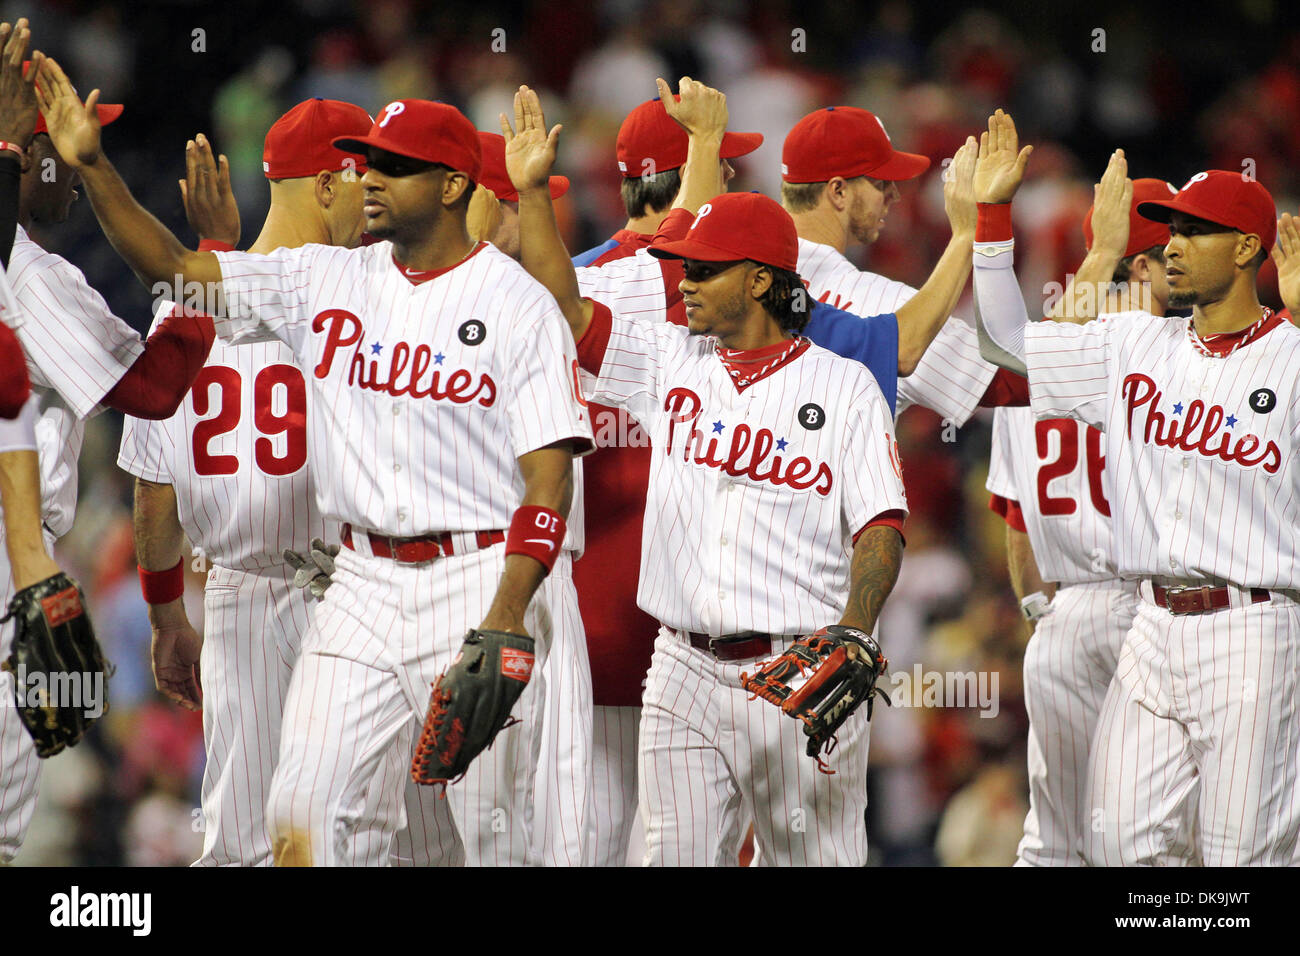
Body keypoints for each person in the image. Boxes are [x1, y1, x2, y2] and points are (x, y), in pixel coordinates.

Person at [37, 63, 594, 866]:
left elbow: (551, 481)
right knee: (303, 817)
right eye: (368, 161)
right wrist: (93, 167)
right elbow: (175, 273)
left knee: (493, 839)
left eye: (394, 166)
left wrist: (507, 616)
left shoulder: (516, 305)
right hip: (359, 583)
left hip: (477, 578)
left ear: (449, 185)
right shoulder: (326, 278)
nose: (371, 177)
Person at [505, 86, 907, 865]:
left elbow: (881, 525)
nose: (681, 283)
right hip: (680, 667)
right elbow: (566, 306)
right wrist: (530, 197)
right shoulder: (672, 364)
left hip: (798, 669)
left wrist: (855, 627)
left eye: (702, 270)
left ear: (759, 280)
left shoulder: (843, 385)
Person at [972, 107, 1300, 865]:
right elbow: (1005, 344)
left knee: (1240, 856)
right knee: (1116, 844)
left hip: (1255, 629)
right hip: (1149, 626)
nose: (1173, 246)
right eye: (1170, 230)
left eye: (1194, 232)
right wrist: (992, 219)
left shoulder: (1289, 354)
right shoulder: (1133, 342)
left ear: (1248, 247)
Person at [117, 98, 372, 866]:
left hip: (237, 593)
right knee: (360, 824)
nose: (378, 195)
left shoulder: (182, 311)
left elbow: (152, 490)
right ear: (330, 183)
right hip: (354, 587)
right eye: (368, 175)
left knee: (245, 835)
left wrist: (166, 618)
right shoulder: (355, 300)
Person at [0, 22, 217, 865]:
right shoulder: (27, 270)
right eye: (66, 149)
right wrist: (210, 268)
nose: (80, 172)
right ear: (25, 151)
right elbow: (155, 390)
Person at [985, 156, 1179, 865]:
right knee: (1159, 839)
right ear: (1145, 265)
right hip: (1152, 609)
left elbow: (1015, 519)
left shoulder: (1033, 362)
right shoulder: (1176, 360)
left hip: (1065, 619)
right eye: (1167, 251)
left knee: (1055, 841)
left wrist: (1044, 617)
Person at [781, 105, 1028, 425]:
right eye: (881, 182)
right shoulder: (888, 307)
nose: (894, 194)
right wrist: (1100, 258)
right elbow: (1014, 379)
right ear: (838, 191)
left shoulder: (728, 267)